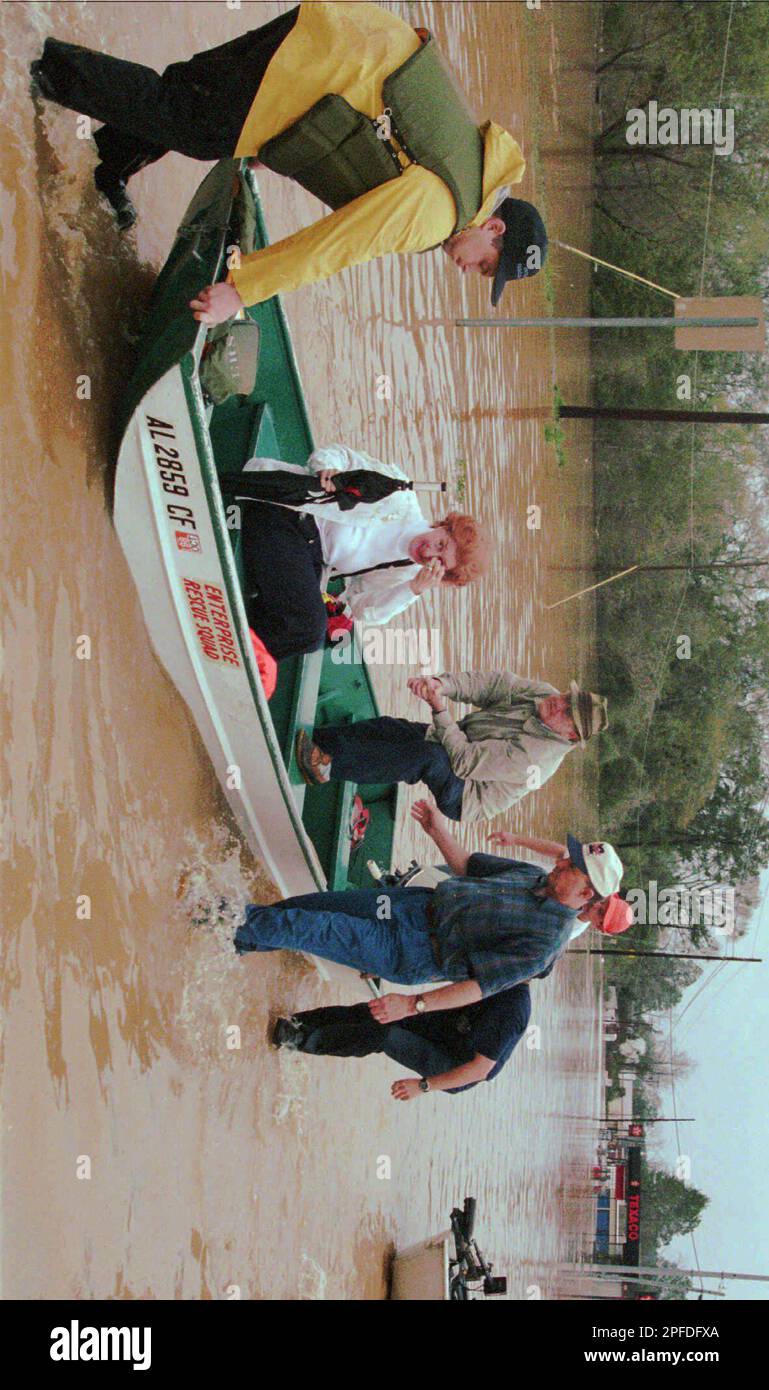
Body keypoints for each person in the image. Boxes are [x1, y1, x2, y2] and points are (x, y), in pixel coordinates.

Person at [29, 3, 547, 309]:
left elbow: (376, 146)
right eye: (485, 266)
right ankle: (39, 64)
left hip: (334, 30)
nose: (469, 270)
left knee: (192, 95)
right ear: (495, 230)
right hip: (316, 70)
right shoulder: (438, 214)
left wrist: (277, 146)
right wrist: (242, 288)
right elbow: (337, 245)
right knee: (195, 125)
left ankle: (105, 167)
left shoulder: (472, 171)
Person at [233, 799, 624, 1009]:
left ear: (588, 892)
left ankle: (220, 918)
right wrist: (438, 830)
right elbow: (468, 865)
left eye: (572, 865)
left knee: (315, 928)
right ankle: (236, 940)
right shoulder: (530, 875)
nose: (561, 860)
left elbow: (477, 987)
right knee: (308, 907)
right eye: (568, 856)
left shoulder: (546, 944)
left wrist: (414, 1004)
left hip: (415, 952)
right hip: (410, 904)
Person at [226, 445, 491, 660]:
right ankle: (232, 652)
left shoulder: (408, 571)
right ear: (443, 526)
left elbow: (362, 608)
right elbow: (338, 455)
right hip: (288, 510)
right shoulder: (399, 495)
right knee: (308, 628)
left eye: (440, 561)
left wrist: (411, 590)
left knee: (321, 636)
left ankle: (236, 643)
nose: (430, 552)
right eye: (441, 543)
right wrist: (327, 470)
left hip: (309, 554)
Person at [295, 670, 608, 821]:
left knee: (425, 757)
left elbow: (465, 762)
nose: (559, 703)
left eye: (568, 712)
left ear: (571, 736)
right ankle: (321, 741)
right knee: (390, 727)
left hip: (465, 794)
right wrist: (442, 685)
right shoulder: (544, 694)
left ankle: (327, 766)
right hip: (457, 743)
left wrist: (439, 709)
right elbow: (493, 686)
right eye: (568, 699)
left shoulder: (536, 760)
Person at [270, 982, 532, 1102]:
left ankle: (298, 1039)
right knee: (376, 1011)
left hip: (453, 1065)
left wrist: (424, 1086)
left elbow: (479, 1070)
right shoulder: (496, 968)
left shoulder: (513, 1008)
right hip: (447, 1026)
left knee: (385, 1036)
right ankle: (297, 1022)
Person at [487, 829, 634, 938]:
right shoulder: (578, 875)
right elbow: (560, 852)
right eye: (604, 902)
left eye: (601, 911)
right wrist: (516, 839)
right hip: (499, 874)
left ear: (599, 926)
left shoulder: (562, 931)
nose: (560, 862)